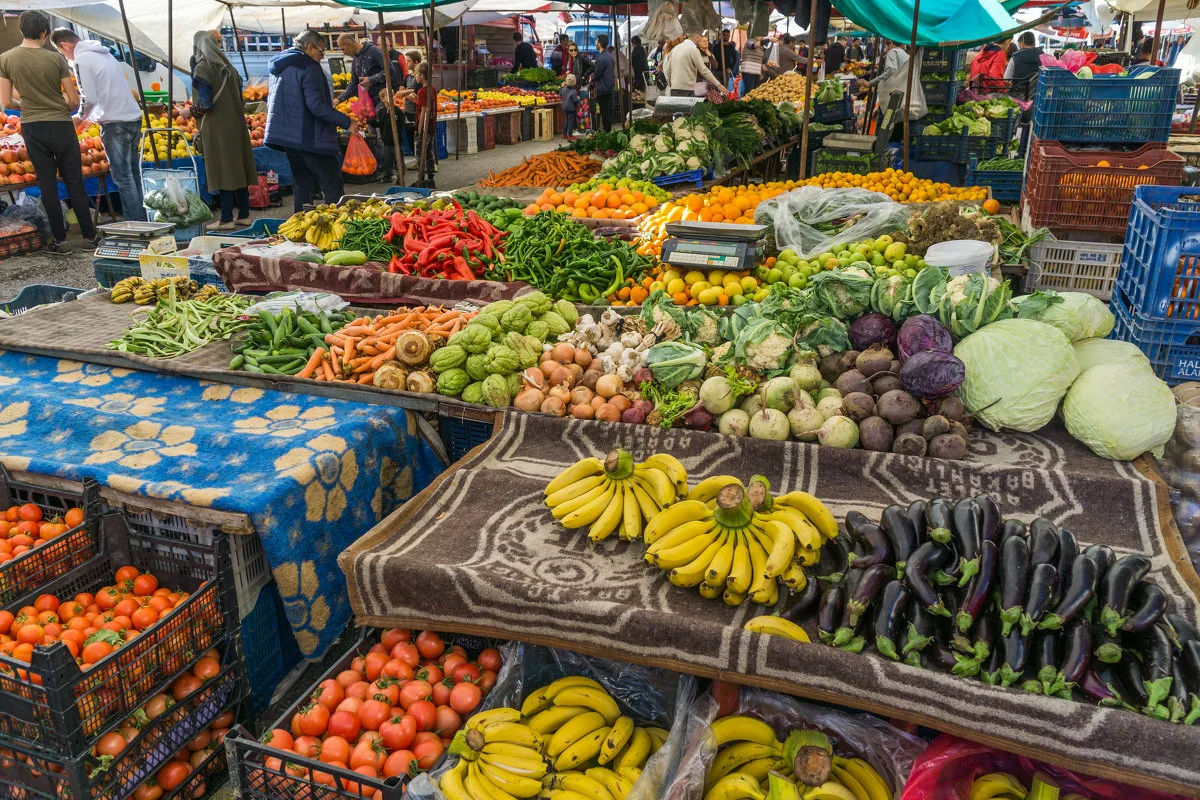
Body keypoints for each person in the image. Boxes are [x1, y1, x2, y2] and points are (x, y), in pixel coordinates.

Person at [0, 12, 97, 254]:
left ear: (21, 30)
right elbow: (74, 100)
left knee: (48, 184)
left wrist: (31, 104)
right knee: (75, 181)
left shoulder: (6, 59)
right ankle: (90, 237)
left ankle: (60, 242)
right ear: (44, 33)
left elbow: (6, 102)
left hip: (33, 126)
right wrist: (56, 104)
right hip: (61, 125)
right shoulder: (56, 59)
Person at [50, 27, 145, 222]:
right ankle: (145, 221)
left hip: (115, 124)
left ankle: (137, 225)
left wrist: (80, 116)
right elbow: (108, 91)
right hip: (133, 118)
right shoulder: (105, 54)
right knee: (134, 175)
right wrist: (91, 118)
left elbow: (89, 97)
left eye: (62, 52)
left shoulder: (82, 60)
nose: (64, 56)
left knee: (124, 179)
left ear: (64, 45)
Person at [265, 30, 356, 212]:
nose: (322, 57)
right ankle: (335, 226)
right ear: (309, 46)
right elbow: (316, 106)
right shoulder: (309, 67)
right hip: (310, 136)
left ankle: (301, 225)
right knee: (332, 184)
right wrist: (346, 122)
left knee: (302, 185)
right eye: (321, 51)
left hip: (289, 137)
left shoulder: (280, 66)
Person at [192, 30, 257, 230]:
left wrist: (190, 111)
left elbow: (205, 103)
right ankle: (244, 215)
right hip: (236, 125)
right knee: (239, 170)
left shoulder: (203, 68)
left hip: (217, 128)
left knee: (223, 172)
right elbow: (241, 98)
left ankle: (227, 218)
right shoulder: (229, 68)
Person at [865, 40, 926, 122]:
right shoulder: (905, 54)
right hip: (901, 97)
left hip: (892, 99)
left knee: (884, 126)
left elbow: (891, 71)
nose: (885, 49)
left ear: (890, 43)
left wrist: (870, 83)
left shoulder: (892, 52)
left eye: (886, 47)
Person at [336, 34, 395, 105]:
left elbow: (390, 70)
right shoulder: (355, 60)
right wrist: (339, 99)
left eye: (343, 49)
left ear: (349, 44)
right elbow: (354, 83)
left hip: (383, 102)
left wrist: (371, 80)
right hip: (368, 105)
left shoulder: (373, 51)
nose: (344, 53)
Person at [663, 32, 721, 97]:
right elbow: (704, 70)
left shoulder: (675, 49)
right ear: (696, 38)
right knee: (688, 106)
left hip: (675, 88)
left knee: (677, 106)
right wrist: (718, 85)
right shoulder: (694, 49)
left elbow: (668, 70)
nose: (700, 42)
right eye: (700, 40)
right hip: (688, 88)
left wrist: (671, 83)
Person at [412, 61, 437, 188]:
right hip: (432, 125)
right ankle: (430, 178)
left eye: (416, 74)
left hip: (425, 126)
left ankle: (421, 179)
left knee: (420, 153)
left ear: (422, 75)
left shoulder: (422, 91)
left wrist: (420, 129)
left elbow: (424, 111)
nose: (415, 76)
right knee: (428, 152)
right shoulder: (432, 89)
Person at [1004, 32, 1043, 100]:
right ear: (1034, 43)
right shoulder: (1043, 55)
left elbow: (1006, 78)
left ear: (1021, 43)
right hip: (1039, 96)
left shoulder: (1015, 57)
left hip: (1018, 96)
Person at [592, 34, 615, 131]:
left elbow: (597, 74)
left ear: (600, 43)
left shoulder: (601, 58)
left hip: (603, 88)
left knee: (604, 112)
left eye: (596, 41)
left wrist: (591, 79)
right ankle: (608, 131)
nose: (595, 43)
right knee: (607, 112)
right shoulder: (610, 56)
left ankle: (607, 132)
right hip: (609, 87)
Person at [560, 74, 579, 138]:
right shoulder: (573, 91)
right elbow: (574, 100)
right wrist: (578, 99)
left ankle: (564, 134)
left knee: (567, 120)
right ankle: (570, 135)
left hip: (564, 107)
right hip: (571, 108)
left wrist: (561, 87)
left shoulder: (563, 89)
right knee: (570, 121)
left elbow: (560, 94)